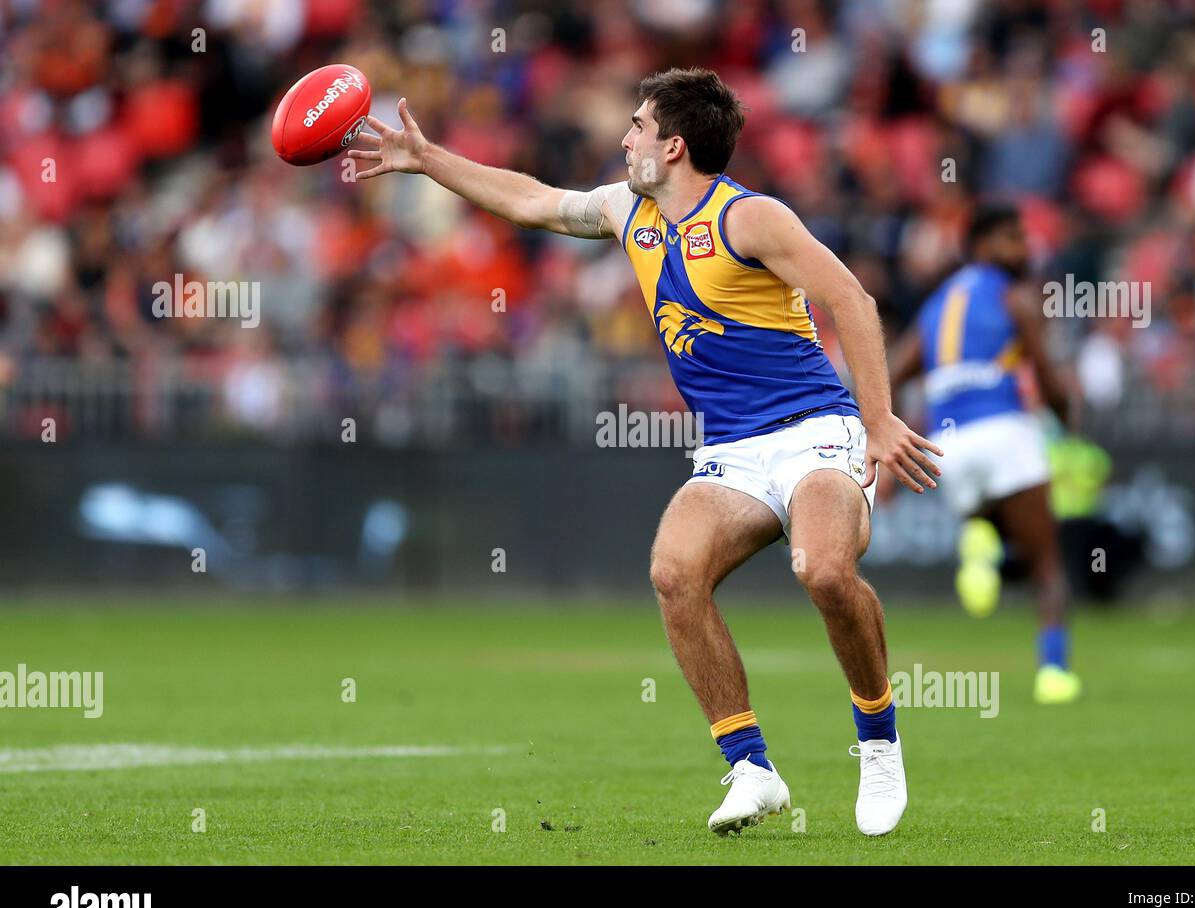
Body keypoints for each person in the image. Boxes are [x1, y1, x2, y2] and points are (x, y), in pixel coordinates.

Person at [351, 68, 942, 835]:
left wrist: (881, 419)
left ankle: (879, 743)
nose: (623, 137)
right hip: (732, 448)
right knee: (673, 572)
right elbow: (532, 200)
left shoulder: (752, 218)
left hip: (816, 430)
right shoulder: (630, 209)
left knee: (824, 570)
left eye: (636, 125)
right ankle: (751, 767)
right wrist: (432, 161)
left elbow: (852, 302)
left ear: (672, 144)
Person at [891, 205, 1082, 704]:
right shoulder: (1014, 297)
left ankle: (980, 539)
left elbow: (891, 375)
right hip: (1005, 431)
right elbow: (1047, 376)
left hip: (949, 445)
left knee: (1002, 529)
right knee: (1046, 563)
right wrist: (1069, 422)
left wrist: (888, 444)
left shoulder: (936, 307)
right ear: (979, 246)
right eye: (1011, 238)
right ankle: (1054, 672)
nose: (1024, 248)